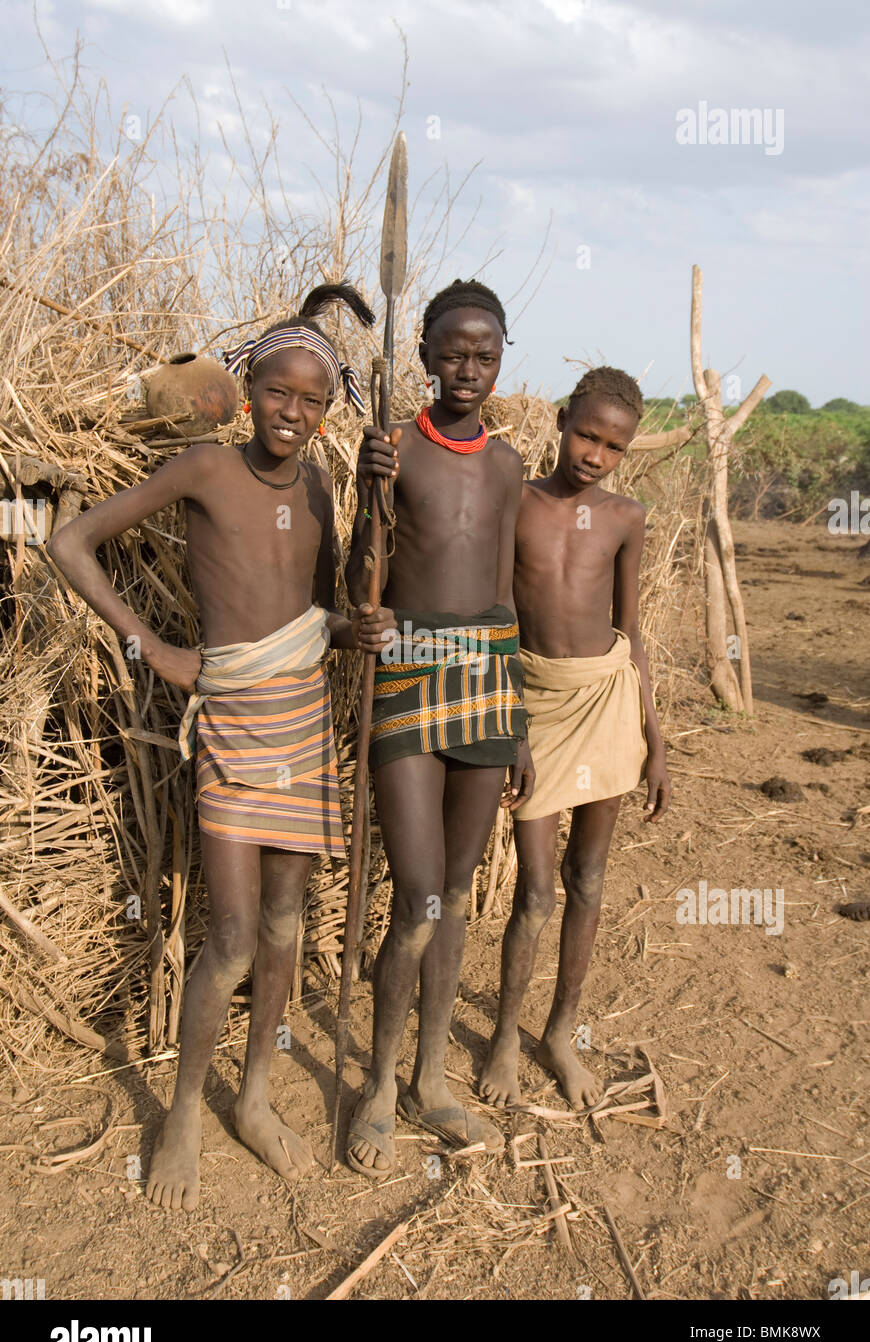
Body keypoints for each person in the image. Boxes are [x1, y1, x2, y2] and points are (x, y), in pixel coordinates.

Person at [48, 283, 391, 1210]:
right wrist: (148, 646)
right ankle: (183, 1118)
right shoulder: (204, 467)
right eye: (279, 392)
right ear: (250, 390)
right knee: (234, 934)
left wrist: (358, 622)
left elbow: (323, 605)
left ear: (328, 413)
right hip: (235, 722)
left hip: (304, 717)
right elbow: (70, 542)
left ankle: (254, 1100)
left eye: (314, 401)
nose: (295, 413)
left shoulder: (321, 482)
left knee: (283, 926)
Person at [343, 279, 534, 1177]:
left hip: (488, 679)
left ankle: (429, 1081)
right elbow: (357, 581)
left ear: (501, 361)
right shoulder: (390, 454)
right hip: (410, 672)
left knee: (456, 894)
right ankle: (377, 1086)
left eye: (485, 355)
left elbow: (501, 591)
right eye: (452, 351)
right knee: (418, 894)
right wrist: (366, 497)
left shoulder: (506, 463)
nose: (468, 369)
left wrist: (519, 716)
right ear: (420, 353)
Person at [479, 366, 671, 1112]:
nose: (594, 454)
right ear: (561, 421)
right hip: (537, 700)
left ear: (627, 452)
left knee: (588, 878)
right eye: (586, 434)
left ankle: (560, 1033)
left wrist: (656, 738)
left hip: (608, 699)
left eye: (613, 445)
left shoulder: (626, 518)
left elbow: (632, 633)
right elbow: (498, 616)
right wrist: (511, 726)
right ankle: (502, 1035)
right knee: (535, 889)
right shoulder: (517, 502)